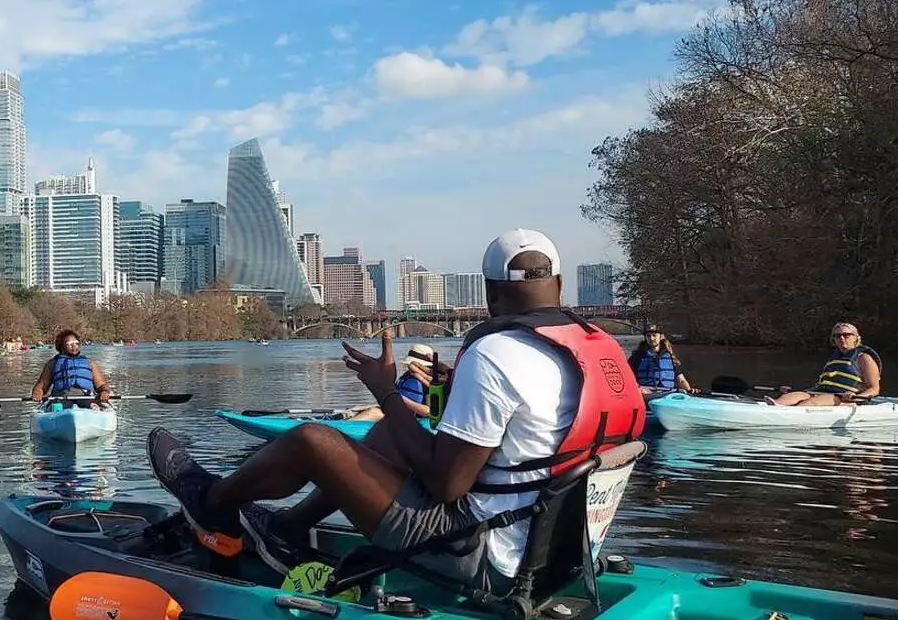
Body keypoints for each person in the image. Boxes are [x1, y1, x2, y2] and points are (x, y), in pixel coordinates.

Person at [146, 228, 645, 594]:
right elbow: (535, 437)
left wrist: (386, 392)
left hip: (487, 556)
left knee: (312, 441)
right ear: (557, 284)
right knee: (386, 438)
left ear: (490, 292)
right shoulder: (601, 350)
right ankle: (287, 530)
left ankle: (210, 501)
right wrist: (445, 394)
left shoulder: (498, 353)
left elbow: (449, 485)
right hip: (563, 552)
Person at [771, 322, 881, 406]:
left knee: (808, 403)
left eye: (846, 335)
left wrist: (857, 397)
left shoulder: (864, 358)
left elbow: (874, 388)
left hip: (842, 397)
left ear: (855, 337)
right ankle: (774, 405)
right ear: (834, 339)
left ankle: (792, 414)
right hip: (821, 391)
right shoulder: (835, 358)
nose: (842, 338)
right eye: (838, 336)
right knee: (792, 396)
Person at [348, 344, 440, 420]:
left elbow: (429, 412)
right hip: (397, 411)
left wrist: (401, 399)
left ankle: (343, 428)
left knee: (373, 412)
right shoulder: (408, 376)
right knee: (359, 409)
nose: (410, 367)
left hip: (412, 419)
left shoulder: (432, 384)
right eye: (409, 365)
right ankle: (343, 422)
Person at [30, 329, 111, 409]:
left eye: (76, 343)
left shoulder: (90, 363)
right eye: (70, 343)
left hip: (86, 398)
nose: (74, 346)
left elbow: (101, 385)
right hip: (61, 398)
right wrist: (37, 393)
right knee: (56, 407)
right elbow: (41, 387)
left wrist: (104, 391)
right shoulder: (52, 364)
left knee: (93, 406)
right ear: (61, 346)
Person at [628, 325, 695, 396]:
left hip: (668, 394)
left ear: (661, 336)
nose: (651, 338)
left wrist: (689, 391)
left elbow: (681, 380)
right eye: (648, 336)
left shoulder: (671, 357)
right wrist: (638, 388)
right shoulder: (637, 357)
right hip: (645, 394)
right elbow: (627, 377)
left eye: (654, 335)